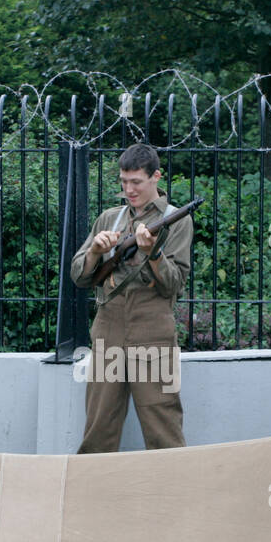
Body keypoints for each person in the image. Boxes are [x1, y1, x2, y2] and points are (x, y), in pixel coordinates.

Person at [70, 143, 193, 453]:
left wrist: (153, 253)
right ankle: (93, 496)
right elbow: (79, 277)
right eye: (124, 182)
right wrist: (96, 251)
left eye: (136, 182)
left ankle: (173, 498)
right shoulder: (109, 218)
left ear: (156, 177)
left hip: (152, 331)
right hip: (107, 329)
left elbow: (174, 284)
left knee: (162, 425)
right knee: (99, 425)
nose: (129, 189)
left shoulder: (176, 219)